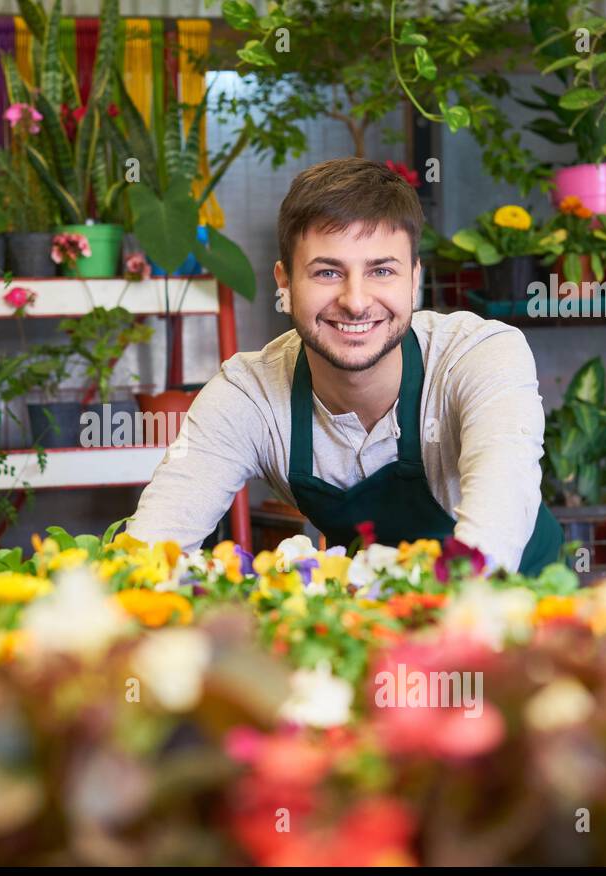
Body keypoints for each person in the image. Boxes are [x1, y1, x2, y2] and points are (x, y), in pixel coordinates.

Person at [126, 157, 563, 574]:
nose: (355, 302)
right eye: (327, 273)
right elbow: (150, 549)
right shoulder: (248, 395)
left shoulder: (479, 357)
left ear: (415, 280)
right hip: (379, 615)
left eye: (382, 271)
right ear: (285, 282)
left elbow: (494, 532)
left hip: (522, 611)